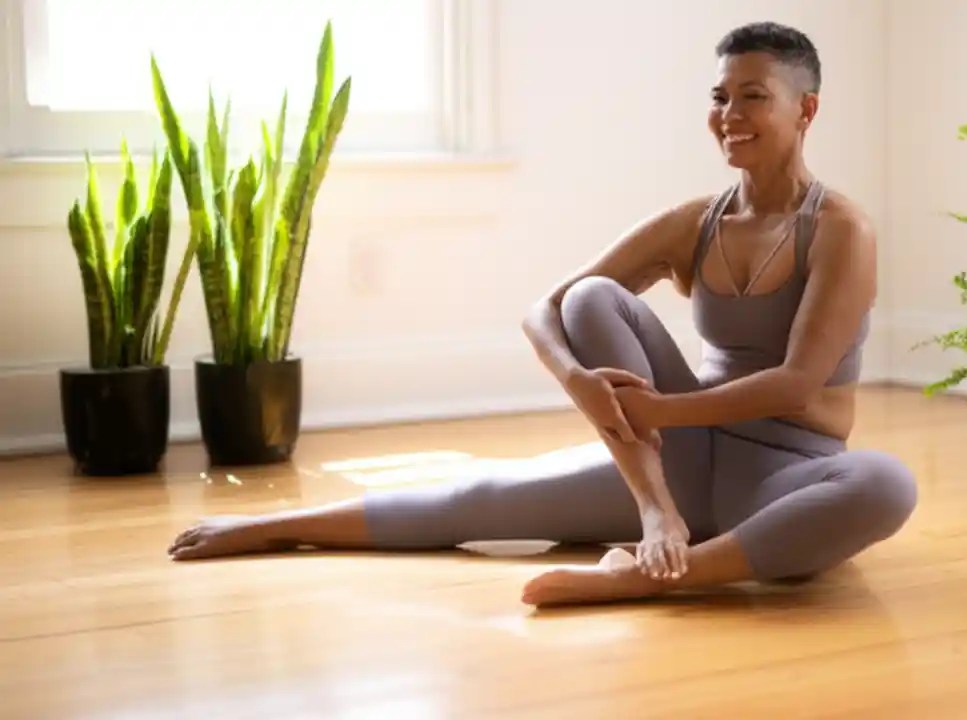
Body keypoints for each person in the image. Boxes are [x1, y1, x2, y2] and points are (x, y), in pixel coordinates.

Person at [167, 21, 918, 607]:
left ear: (805, 109)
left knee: (885, 486)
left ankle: (658, 579)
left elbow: (794, 386)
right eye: (720, 97)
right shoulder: (698, 221)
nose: (729, 114)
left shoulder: (841, 230)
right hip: (679, 465)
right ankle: (659, 521)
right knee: (554, 369)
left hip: (784, 472)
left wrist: (659, 408)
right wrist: (579, 382)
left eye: (754, 95)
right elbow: (545, 310)